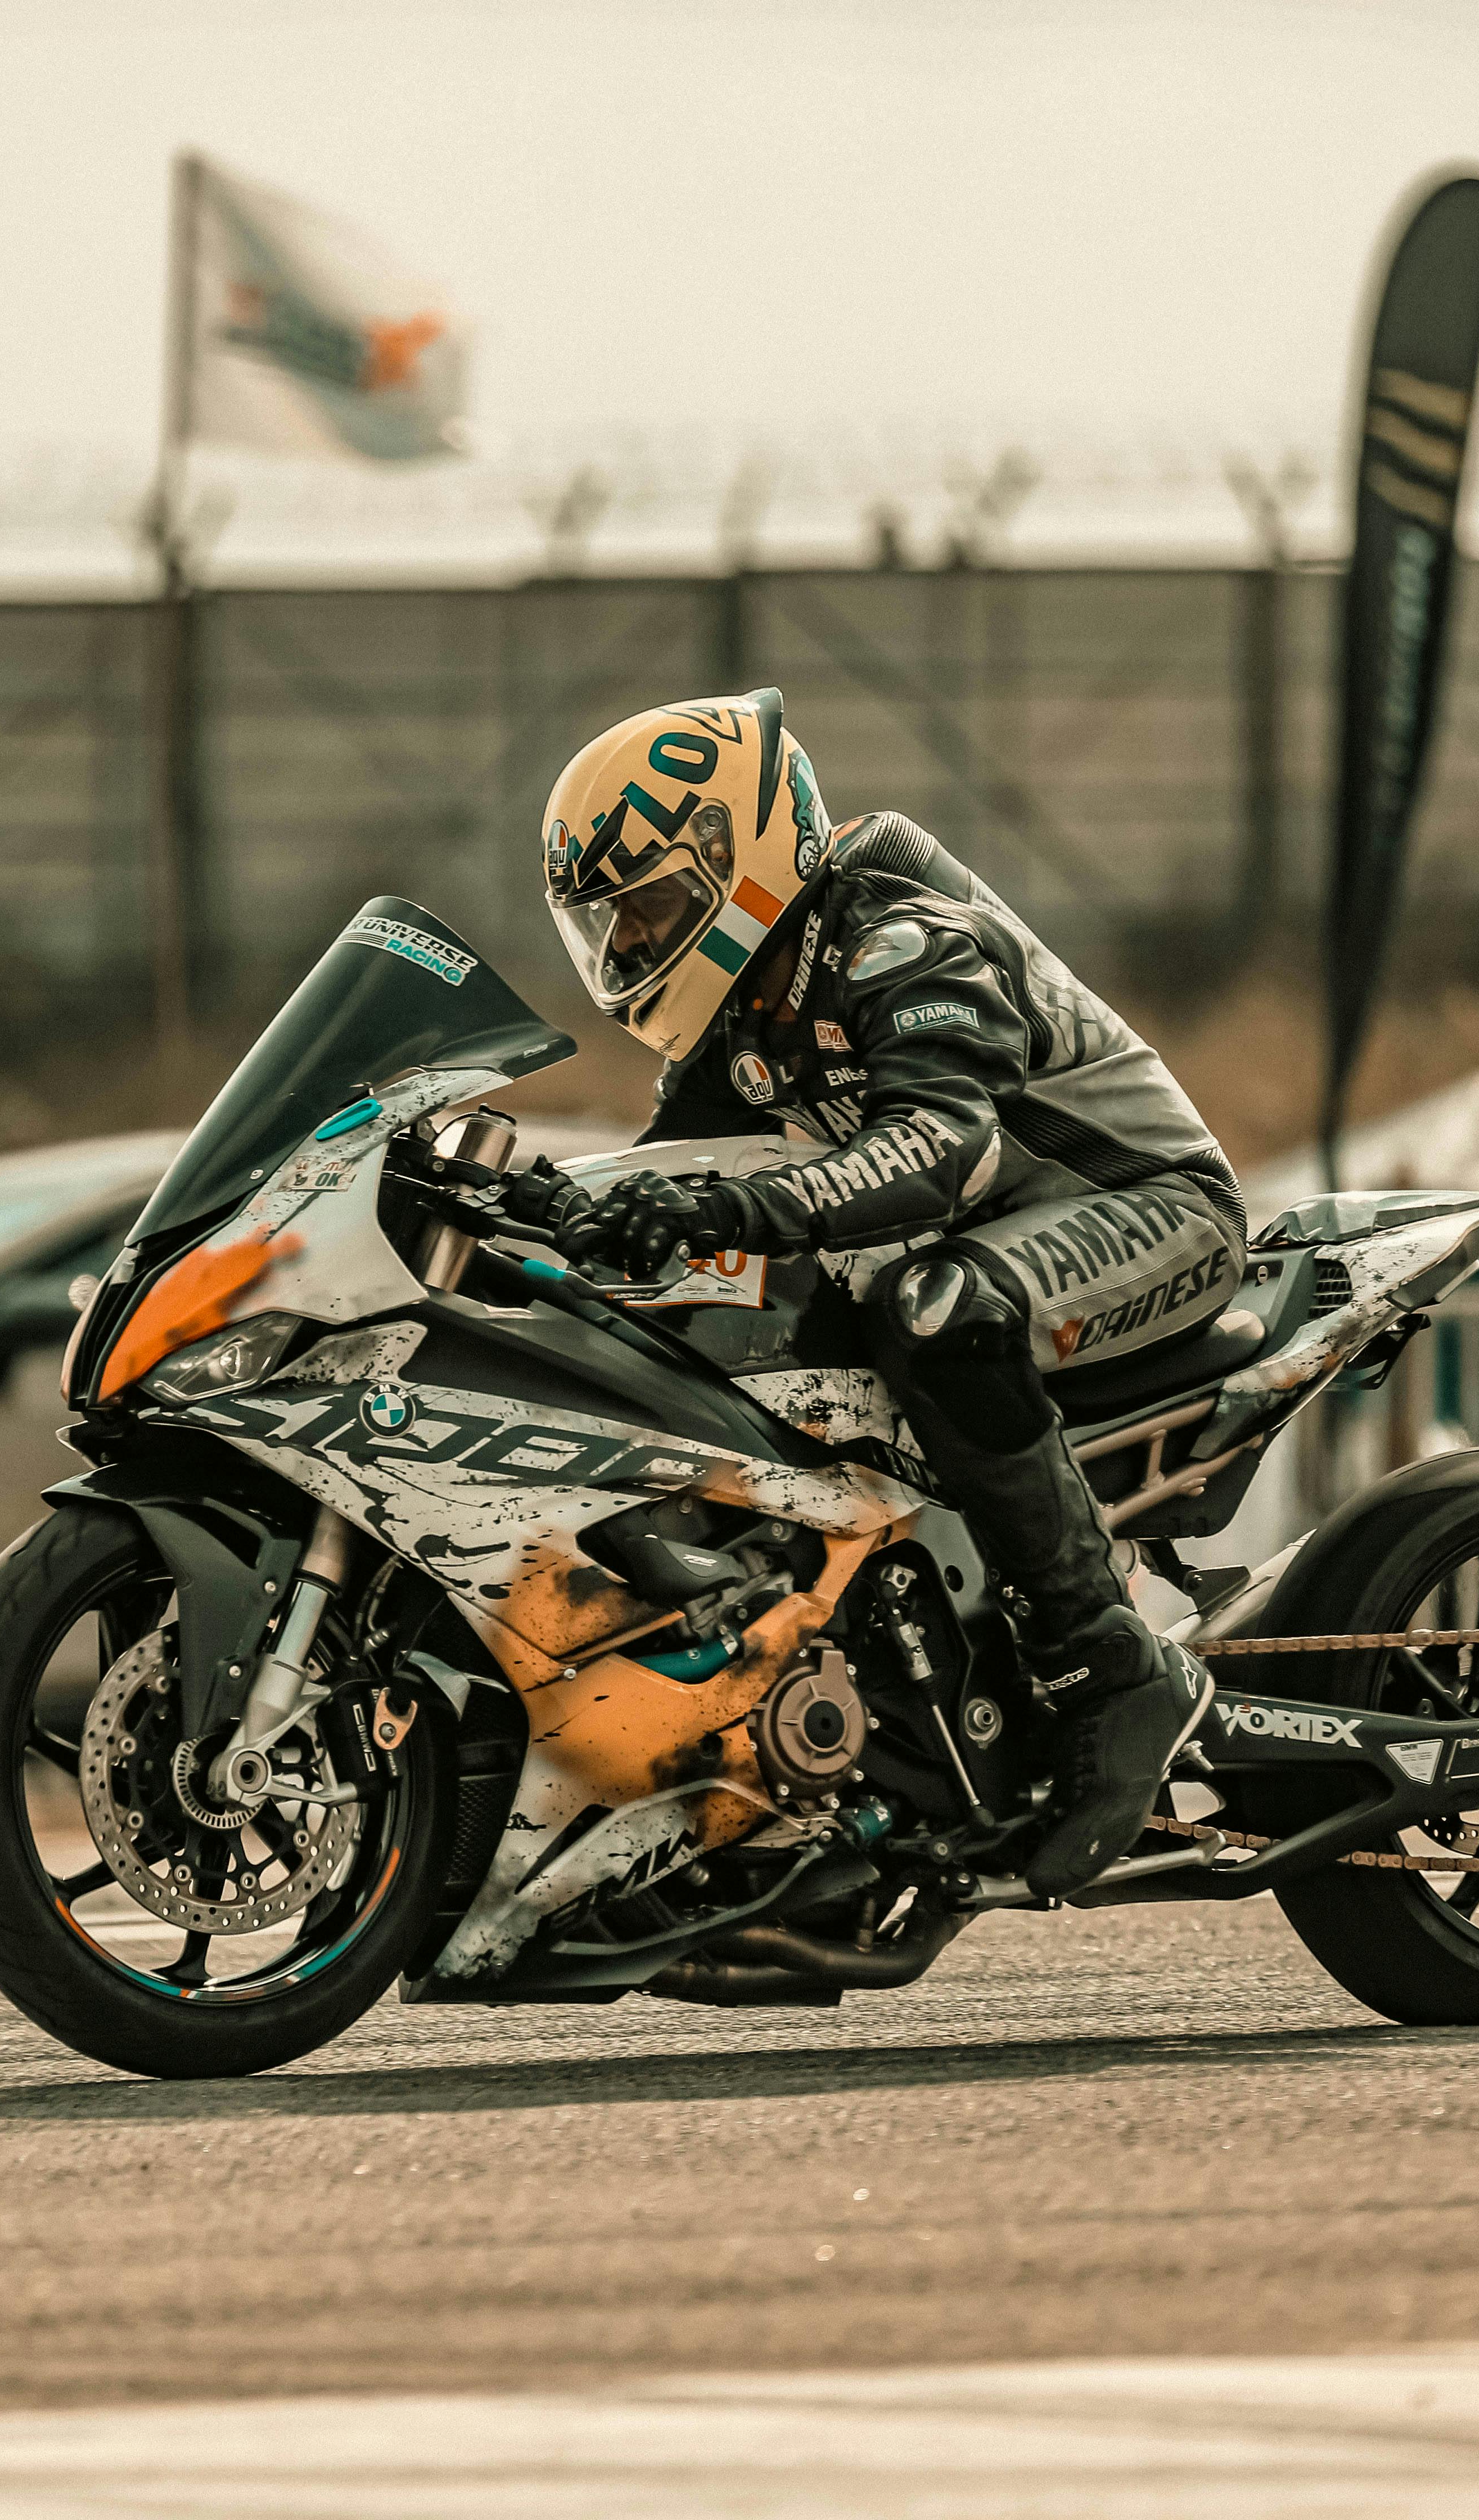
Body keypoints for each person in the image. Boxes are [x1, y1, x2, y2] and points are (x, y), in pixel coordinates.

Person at [513, 690, 1241, 1900]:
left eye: (648, 909)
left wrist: (743, 1209)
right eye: (612, 925)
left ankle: (1116, 1669)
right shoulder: (746, 1010)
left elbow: (939, 1146)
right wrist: (538, 1210)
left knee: (934, 1306)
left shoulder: (900, 940)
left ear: (733, 863)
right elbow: (663, 1173)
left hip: (1152, 1211)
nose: (632, 950)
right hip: (991, 1235)